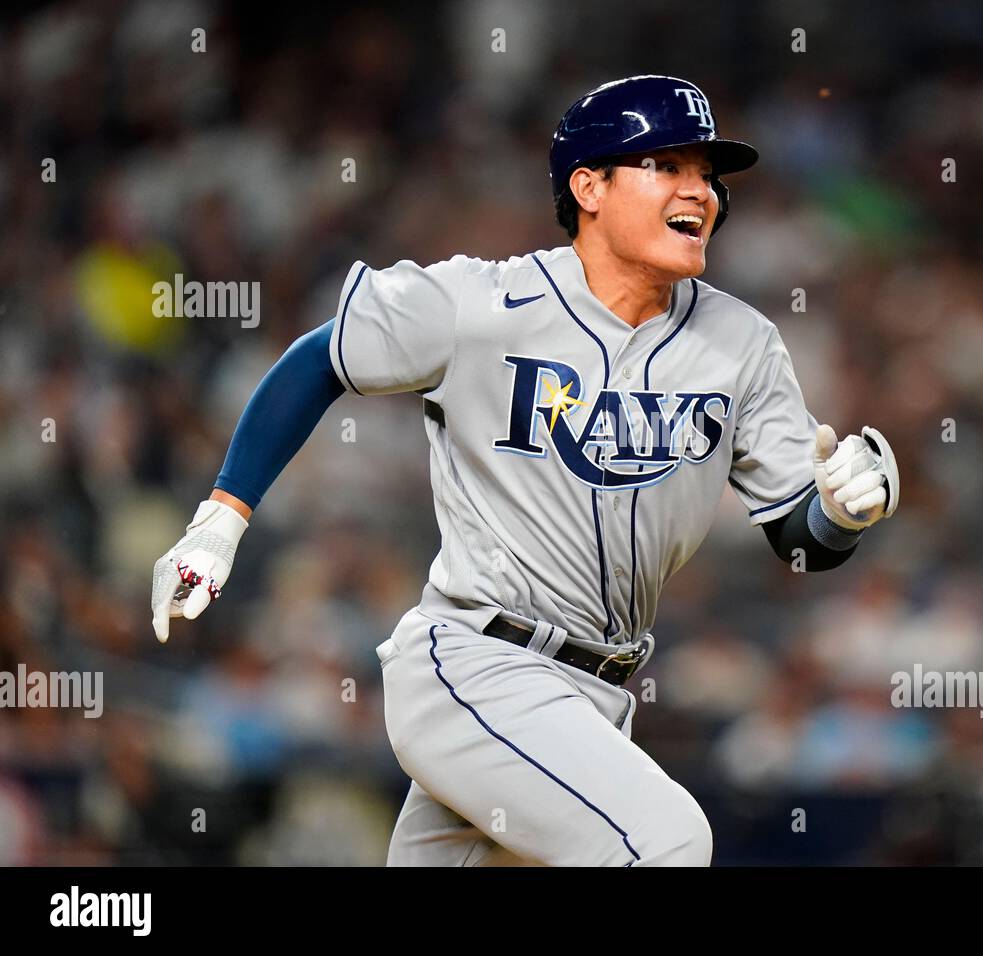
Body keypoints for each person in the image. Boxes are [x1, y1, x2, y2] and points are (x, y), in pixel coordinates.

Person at [150, 75, 899, 866]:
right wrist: (221, 520)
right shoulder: (483, 303)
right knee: (667, 841)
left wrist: (842, 514)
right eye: (668, 166)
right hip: (476, 662)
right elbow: (319, 359)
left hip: (598, 695)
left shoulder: (742, 344)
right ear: (589, 186)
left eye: (707, 174)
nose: (700, 191)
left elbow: (799, 540)